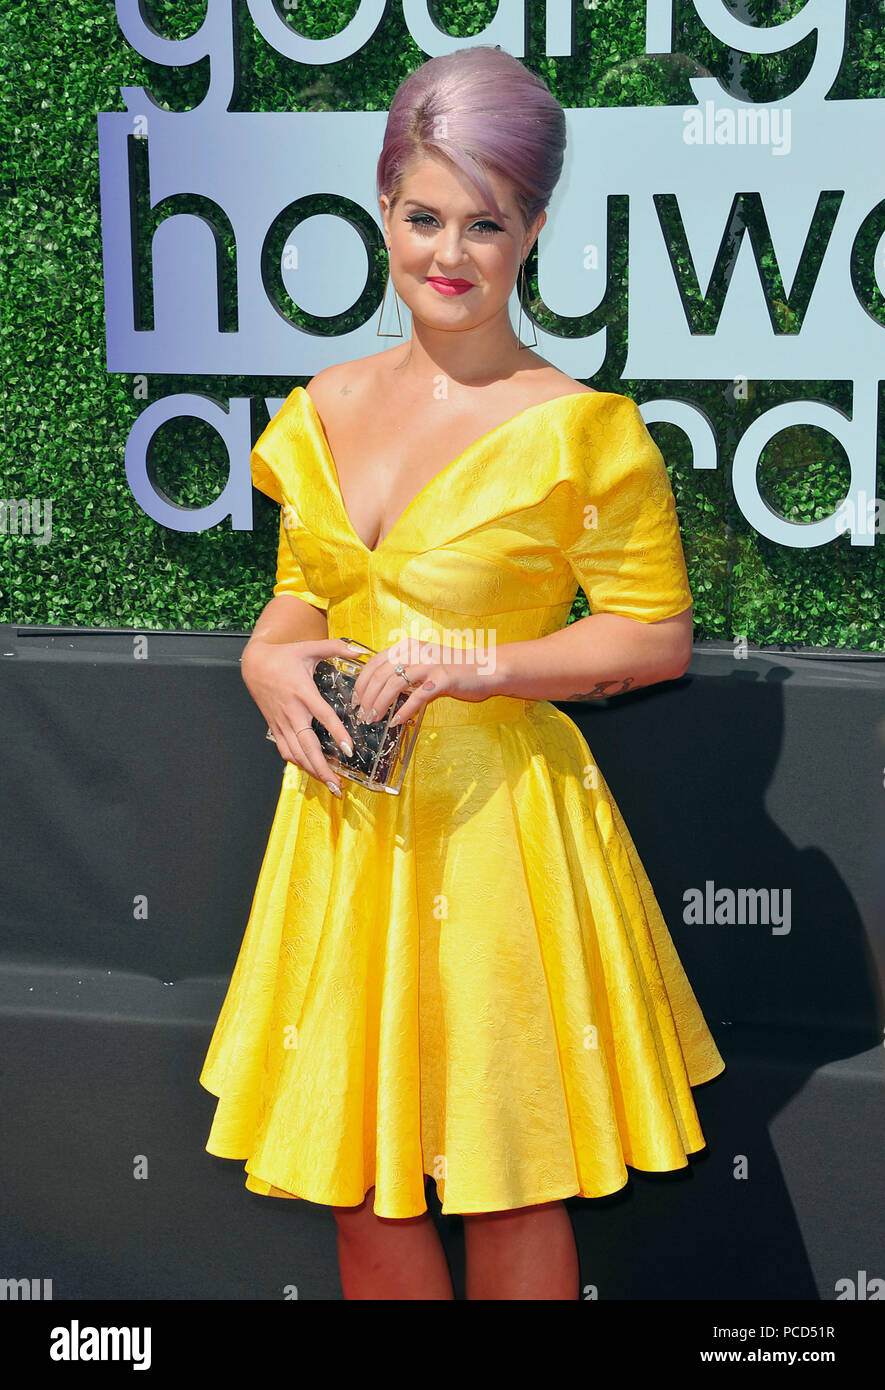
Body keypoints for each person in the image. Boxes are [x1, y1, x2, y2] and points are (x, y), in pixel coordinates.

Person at [200, 44, 725, 1301]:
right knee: (357, 1182)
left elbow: (652, 637)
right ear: (383, 209)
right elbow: (301, 593)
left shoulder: (583, 430)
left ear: (532, 228)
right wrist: (262, 658)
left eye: (484, 222)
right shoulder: (320, 404)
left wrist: (485, 664)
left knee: (508, 1182)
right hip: (343, 830)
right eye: (424, 216)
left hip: (502, 833)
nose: (450, 253)